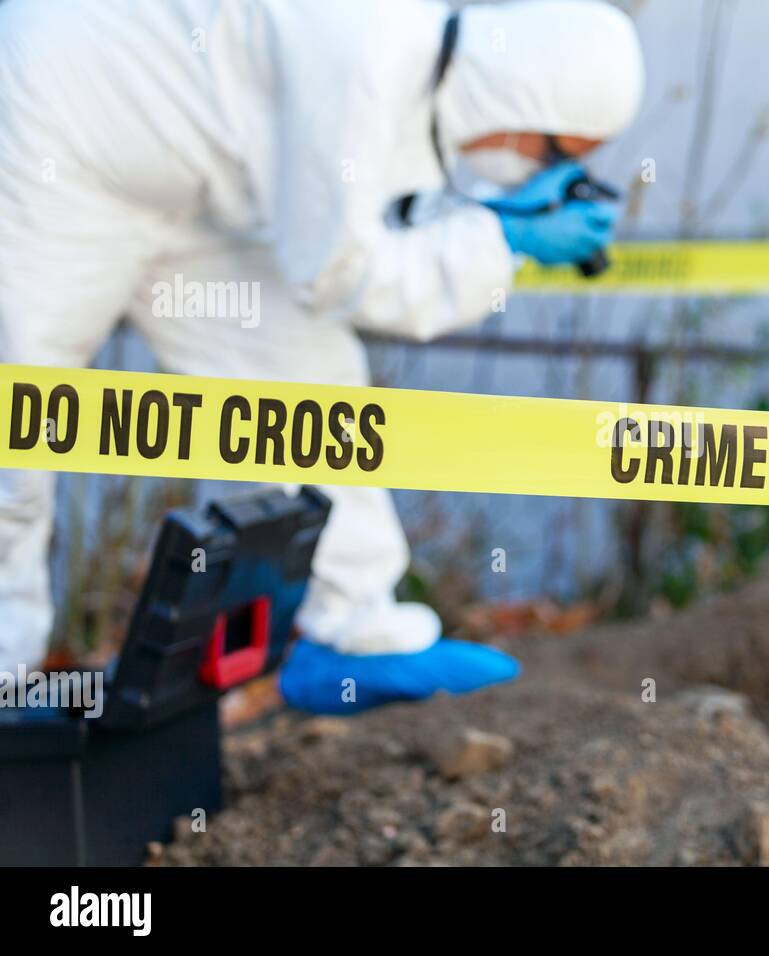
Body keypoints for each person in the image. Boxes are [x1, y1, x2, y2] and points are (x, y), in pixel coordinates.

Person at [0, 0, 645, 713]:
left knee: (300, 379)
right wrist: (501, 238)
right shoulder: (367, 59)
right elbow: (339, 273)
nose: (527, 169)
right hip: (54, 140)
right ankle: (3, 688)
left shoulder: (417, 66)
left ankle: (349, 630)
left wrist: (495, 221)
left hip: (194, 188)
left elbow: (366, 218)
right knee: (14, 424)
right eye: (548, 154)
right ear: (521, 99)